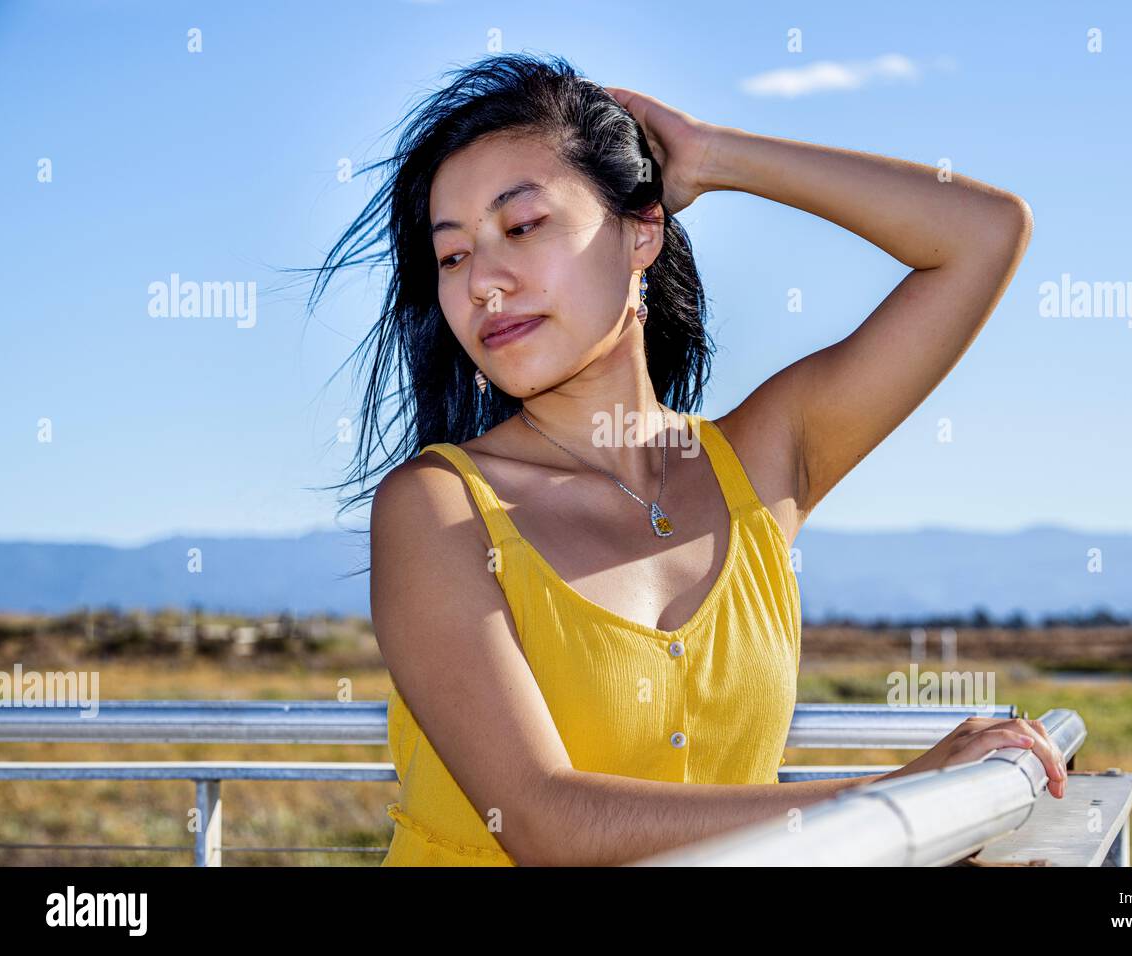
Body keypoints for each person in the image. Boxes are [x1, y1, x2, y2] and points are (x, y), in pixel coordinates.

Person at [306, 52, 1062, 867]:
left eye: (522, 227)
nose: (483, 282)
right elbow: (541, 823)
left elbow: (984, 234)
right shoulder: (438, 506)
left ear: (642, 230)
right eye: (452, 256)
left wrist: (714, 157)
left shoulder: (763, 463)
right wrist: (893, 797)